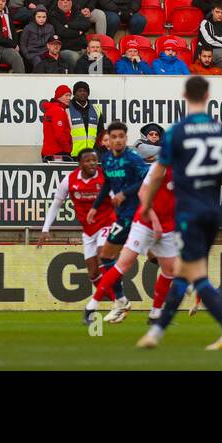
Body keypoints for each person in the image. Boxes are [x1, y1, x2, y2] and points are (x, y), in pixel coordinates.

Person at [137, 76, 222, 350]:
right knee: (186, 273)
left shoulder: (177, 131)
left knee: (194, 274)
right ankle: (157, 331)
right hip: (212, 211)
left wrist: (147, 205)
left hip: (188, 212)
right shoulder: (220, 131)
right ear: (208, 95)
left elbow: (158, 174)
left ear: (184, 95)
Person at [85, 150, 182, 327]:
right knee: (115, 259)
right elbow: (143, 192)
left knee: (169, 270)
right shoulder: (157, 167)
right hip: (141, 220)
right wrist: (153, 219)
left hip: (165, 226)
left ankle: (154, 314)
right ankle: (95, 305)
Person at [91, 121, 147, 322]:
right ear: (109, 139)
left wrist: (125, 193)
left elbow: (146, 179)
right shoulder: (106, 159)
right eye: (113, 137)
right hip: (123, 215)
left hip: (137, 213)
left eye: (121, 136)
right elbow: (107, 184)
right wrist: (96, 207)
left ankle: (121, 302)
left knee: (107, 256)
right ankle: (121, 301)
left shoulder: (133, 159)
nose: (117, 140)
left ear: (125, 137)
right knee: (106, 256)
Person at [39, 148, 114, 287]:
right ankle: (118, 301)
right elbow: (56, 204)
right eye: (88, 160)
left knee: (101, 255)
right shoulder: (70, 179)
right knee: (93, 273)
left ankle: (119, 298)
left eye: (94, 160)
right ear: (79, 163)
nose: (92, 163)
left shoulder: (105, 177)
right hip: (88, 230)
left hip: (107, 223)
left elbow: (117, 199)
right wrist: (45, 229)